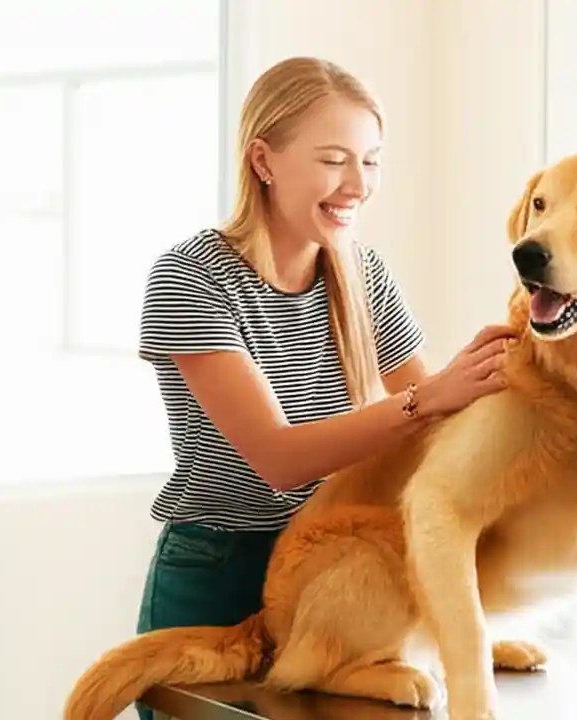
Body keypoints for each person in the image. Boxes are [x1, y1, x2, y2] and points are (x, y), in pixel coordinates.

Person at [130, 56, 513, 718]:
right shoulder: (190, 280)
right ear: (264, 160)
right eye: (335, 159)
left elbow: (434, 433)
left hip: (336, 576)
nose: (358, 184)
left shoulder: (363, 273)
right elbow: (280, 458)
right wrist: (432, 398)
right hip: (221, 575)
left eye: (371, 161)